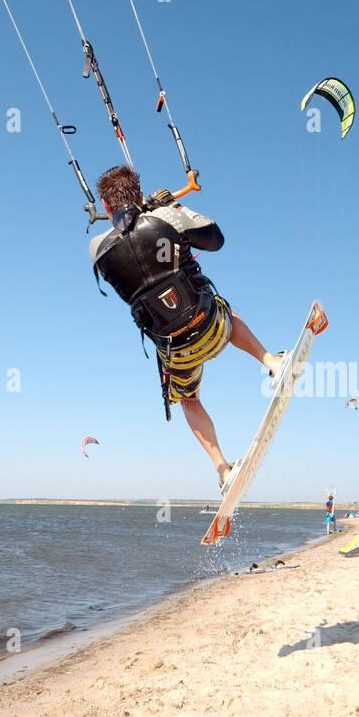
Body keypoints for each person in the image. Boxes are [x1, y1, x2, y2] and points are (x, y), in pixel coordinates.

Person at [88, 166, 283, 488]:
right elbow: (215, 239)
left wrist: (145, 210)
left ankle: (222, 469)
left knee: (189, 400)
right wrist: (173, 207)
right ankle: (272, 362)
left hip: (174, 351)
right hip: (211, 324)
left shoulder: (97, 249)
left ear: (106, 207)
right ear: (139, 194)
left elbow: (124, 230)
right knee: (228, 313)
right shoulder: (166, 217)